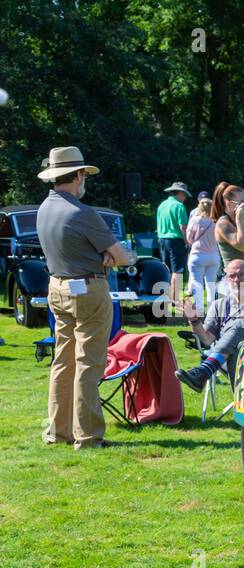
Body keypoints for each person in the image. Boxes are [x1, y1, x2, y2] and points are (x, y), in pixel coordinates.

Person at [36, 146, 137, 449]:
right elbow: (123, 258)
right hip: (88, 289)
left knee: (63, 362)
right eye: (84, 177)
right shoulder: (83, 212)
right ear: (78, 176)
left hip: (57, 287)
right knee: (89, 364)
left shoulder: (44, 208)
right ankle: (89, 436)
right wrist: (117, 254)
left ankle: (58, 431)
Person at [175, 259, 244, 392]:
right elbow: (207, 340)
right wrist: (194, 319)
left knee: (240, 326)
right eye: (232, 276)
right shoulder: (218, 305)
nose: (237, 280)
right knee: (236, 350)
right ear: (226, 279)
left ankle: (205, 371)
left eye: (241, 275)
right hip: (225, 361)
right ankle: (241, 408)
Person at [156, 181, 190, 314]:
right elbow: (183, 226)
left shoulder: (162, 205)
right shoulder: (179, 206)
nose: (185, 198)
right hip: (176, 240)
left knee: (167, 269)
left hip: (162, 239)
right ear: (180, 193)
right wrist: (187, 241)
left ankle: (167, 297)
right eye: (184, 194)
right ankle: (175, 300)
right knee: (178, 271)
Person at [185, 196, 221, 313]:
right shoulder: (217, 221)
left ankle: (200, 309)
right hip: (214, 255)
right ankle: (212, 310)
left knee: (197, 283)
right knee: (211, 284)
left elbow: (189, 239)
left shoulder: (195, 220)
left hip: (198, 255)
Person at [212, 182, 244, 273]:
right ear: (230, 204)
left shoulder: (237, 221)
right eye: (242, 202)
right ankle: (176, 286)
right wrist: (239, 219)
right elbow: (243, 246)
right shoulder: (223, 224)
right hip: (236, 279)